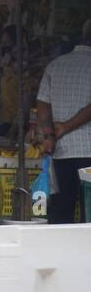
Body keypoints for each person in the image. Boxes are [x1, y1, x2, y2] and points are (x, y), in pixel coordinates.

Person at [34, 19, 91, 224]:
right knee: (90, 210)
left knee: (61, 210)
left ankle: (56, 252)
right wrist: (66, 126)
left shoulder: (55, 65)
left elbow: (42, 102)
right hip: (89, 155)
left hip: (61, 152)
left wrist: (49, 134)